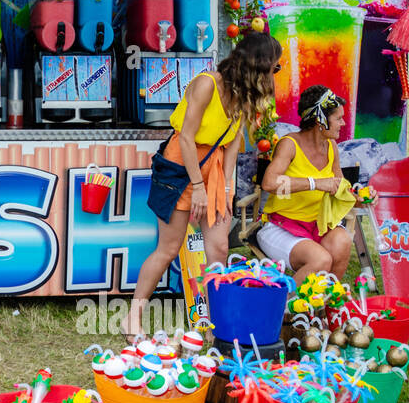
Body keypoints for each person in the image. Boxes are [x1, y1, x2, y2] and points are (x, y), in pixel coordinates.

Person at [126, 30, 282, 338]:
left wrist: (227, 189)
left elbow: (233, 145)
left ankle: (214, 323)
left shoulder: (245, 95)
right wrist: (198, 186)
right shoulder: (207, 84)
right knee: (169, 248)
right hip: (180, 166)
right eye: (274, 67)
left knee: (219, 247)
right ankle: (132, 318)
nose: (275, 74)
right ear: (258, 65)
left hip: (215, 168)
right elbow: (185, 137)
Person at [257, 85, 354, 283]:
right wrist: (315, 183)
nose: (343, 123)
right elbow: (269, 183)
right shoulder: (289, 144)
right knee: (321, 260)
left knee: (342, 241)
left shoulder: (331, 146)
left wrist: (362, 198)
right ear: (320, 120)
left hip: (317, 226)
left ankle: (325, 300)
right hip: (281, 227)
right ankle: (286, 302)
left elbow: (340, 188)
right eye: (338, 118)